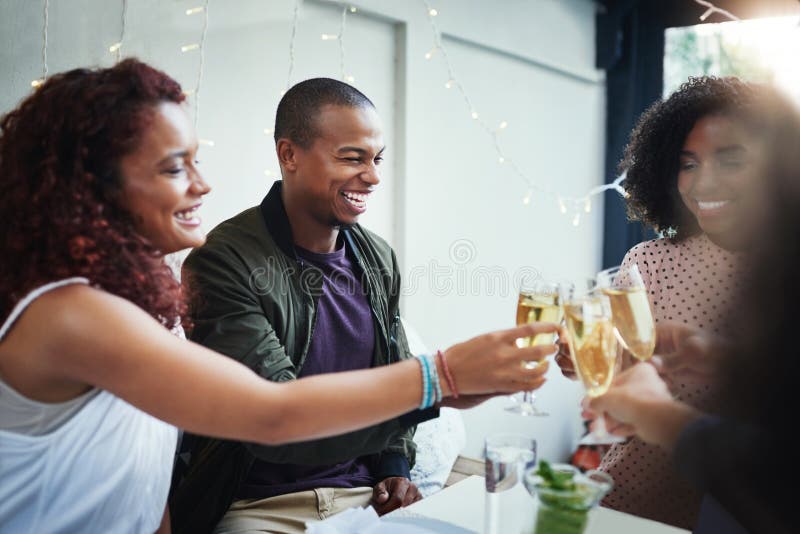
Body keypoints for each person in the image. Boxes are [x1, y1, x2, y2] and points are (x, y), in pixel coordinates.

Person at [0, 59, 556, 533]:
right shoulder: (74, 314)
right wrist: (442, 376)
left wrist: (426, 417)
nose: (203, 183)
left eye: (196, 159)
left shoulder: (138, 306)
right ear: (91, 188)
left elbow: (142, 484)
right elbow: (271, 416)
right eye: (175, 167)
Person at [170, 78, 425, 533]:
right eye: (352, 157)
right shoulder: (221, 261)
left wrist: (394, 465)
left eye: (376, 159)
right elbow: (279, 415)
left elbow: (394, 366)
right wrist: (437, 383)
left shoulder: (379, 258)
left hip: (364, 499)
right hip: (257, 506)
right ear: (289, 155)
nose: (373, 175)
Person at [586, 84, 800, 534]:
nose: (703, 182)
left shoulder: (782, 275)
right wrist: (590, 365)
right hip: (637, 503)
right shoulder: (649, 263)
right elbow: (617, 388)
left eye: (732, 159)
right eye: (688, 163)